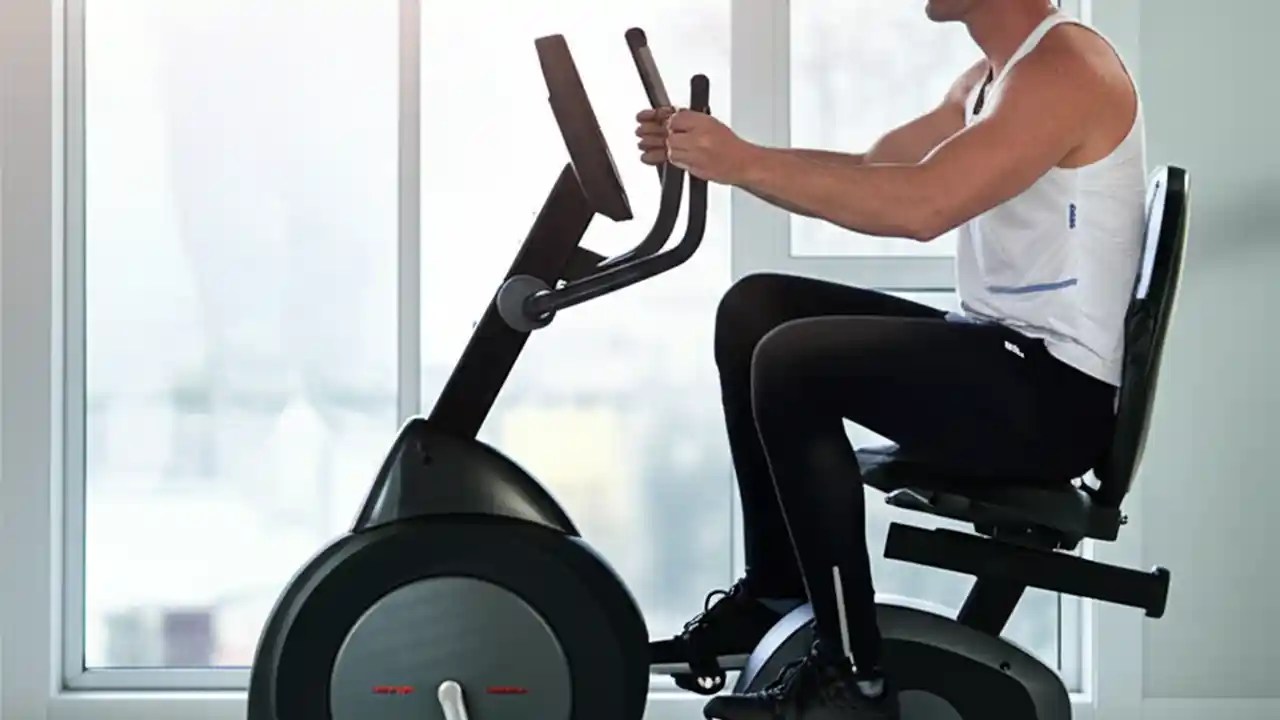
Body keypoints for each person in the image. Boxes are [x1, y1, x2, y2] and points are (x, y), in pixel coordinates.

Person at [638, 1, 1146, 718]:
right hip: (1003, 357)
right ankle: (776, 594)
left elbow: (922, 204)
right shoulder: (994, 75)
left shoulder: (1068, 70)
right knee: (757, 311)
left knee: (794, 361)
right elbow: (880, 166)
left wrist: (741, 160)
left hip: (1051, 401)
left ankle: (852, 673)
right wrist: (723, 157)